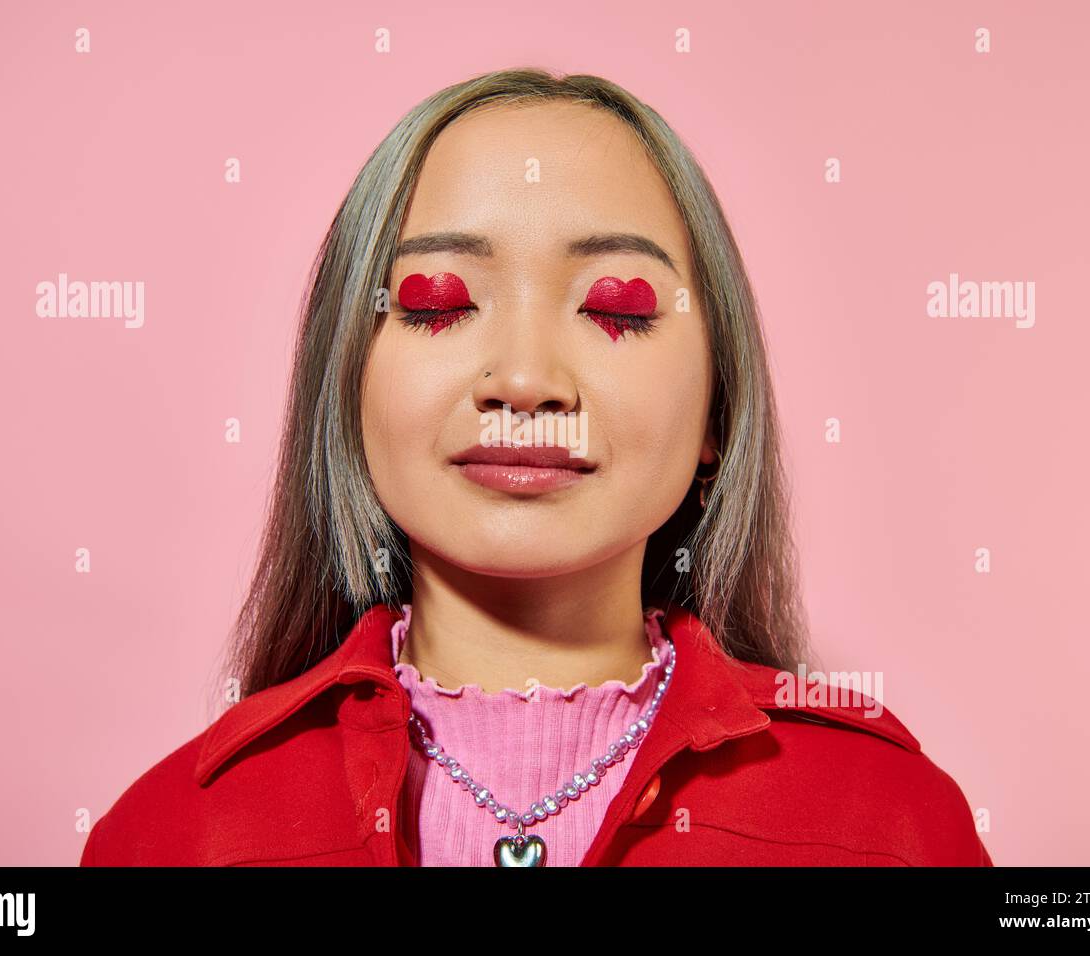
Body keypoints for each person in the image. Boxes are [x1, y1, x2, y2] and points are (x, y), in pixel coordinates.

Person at [80, 68, 992, 867]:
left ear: (718, 410)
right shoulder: (170, 835)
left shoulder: (893, 824)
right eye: (437, 304)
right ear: (346, 387)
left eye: (619, 309)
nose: (524, 379)